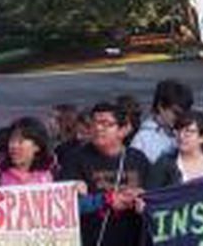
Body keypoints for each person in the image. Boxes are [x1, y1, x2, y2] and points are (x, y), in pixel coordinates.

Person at [58, 102, 146, 246]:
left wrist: (141, 199)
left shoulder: (138, 159)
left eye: (106, 124)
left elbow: (154, 197)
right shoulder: (74, 159)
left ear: (123, 130)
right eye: (94, 123)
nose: (98, 128)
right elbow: (65, 206)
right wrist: (107, 200)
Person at [130, 79, 193, 169]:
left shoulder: (183, 133)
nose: (180, 118)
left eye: (184, 114)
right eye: (176, 113)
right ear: (161, 106)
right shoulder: (142, 140)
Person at [144, 111, 203, 189]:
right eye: (178, 130)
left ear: (202, 137)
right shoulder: (164, 163)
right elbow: (151, 194)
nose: (181, 136)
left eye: (188, 132)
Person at [0, 117, 56, 186]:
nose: (14, 146)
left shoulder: (48, 175)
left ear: (37, 146)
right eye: (12, 141)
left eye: (20, 141)